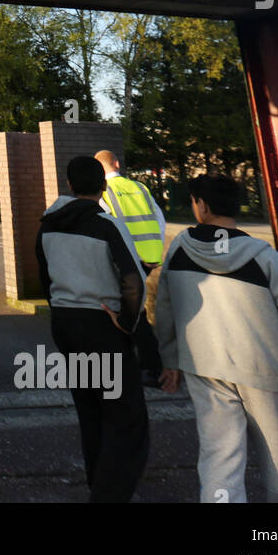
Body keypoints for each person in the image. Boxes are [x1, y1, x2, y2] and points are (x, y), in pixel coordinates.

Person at [156, 174, 278, 503]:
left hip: (205, 366)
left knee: (219, 456)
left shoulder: (180, 249)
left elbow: (165, 309)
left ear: (202, 206)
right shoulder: (263, 255)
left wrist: (170, 361)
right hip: (264, 370)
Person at [36, 156, 149, 502]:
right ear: (103, 186)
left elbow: (44, 276)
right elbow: (134, 282)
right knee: (125, 417)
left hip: (66, 324)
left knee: (90, 410)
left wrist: (61, 310)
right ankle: (109, 494)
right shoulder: (107, 225)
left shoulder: (48, 226)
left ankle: (96, 481)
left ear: (69, 185)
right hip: (102, 324)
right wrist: (127, 323)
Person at [94, 150, 165, 387]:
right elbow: (159, 219)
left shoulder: (104, 191)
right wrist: (153, 252)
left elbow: (107, 224)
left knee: (129, 312)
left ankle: (143, 367)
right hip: (148, 259)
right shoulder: (141, 188)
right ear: (116, 163)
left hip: (125, 260)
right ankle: (148, 367)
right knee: (135, 310)